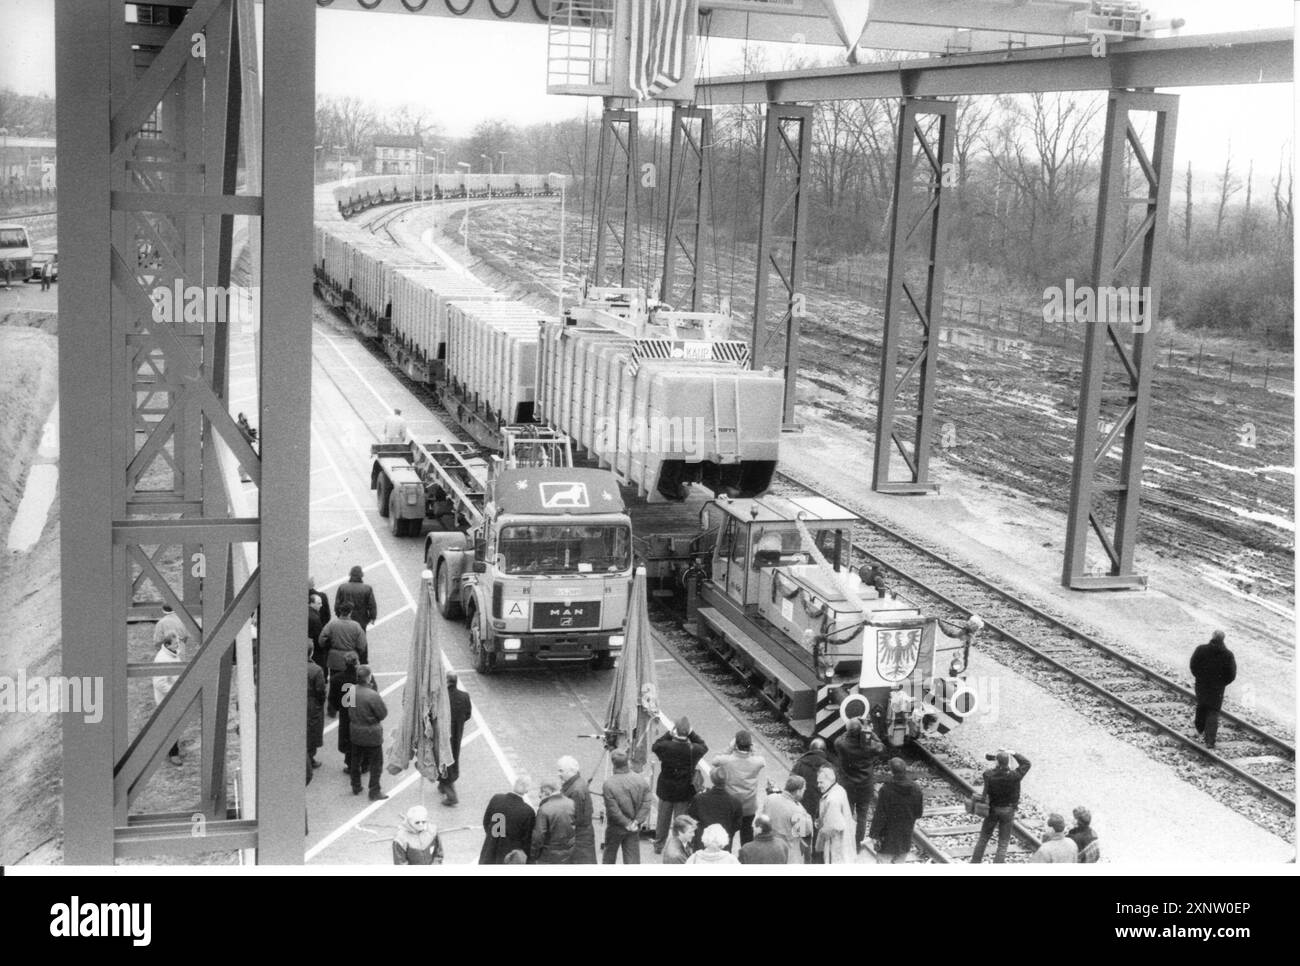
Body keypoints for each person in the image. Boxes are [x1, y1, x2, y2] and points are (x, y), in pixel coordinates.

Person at [651, 716, 708, 853]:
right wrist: (692, 734)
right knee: (681, 820)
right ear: (687, 732)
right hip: (684, 790)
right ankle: (678, 846)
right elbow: (704, 747)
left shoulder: (665, 746)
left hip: (666, 789)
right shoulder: (693, 749)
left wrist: (669, 733)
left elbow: (656, 745)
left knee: (662, 819)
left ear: (675, 731)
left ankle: (659, 845)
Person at [970, 749, 1031, 864]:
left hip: (992, 809)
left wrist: (996, 759)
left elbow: (989, 771)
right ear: (1007, 762)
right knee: (1003, 843)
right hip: (1008, 810)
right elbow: (1027, 763)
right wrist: (1013, 753)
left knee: (983, 838)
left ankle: (975, 863)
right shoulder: (1015, 776)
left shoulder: (989, 775)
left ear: (997, 762)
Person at [834, 718, 884, 852]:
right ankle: (857, 845)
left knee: (847, 815)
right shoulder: (869, 745)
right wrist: (869, 732)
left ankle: (846, 843)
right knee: (862, 817)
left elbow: (842, 736)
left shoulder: (841, 743)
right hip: (865, 785)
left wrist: (854, 729)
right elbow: (881, 745)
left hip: (847, 786)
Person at [713, 730, 766, 846]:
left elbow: (715, 761)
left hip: (730, 806)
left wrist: (729, 748)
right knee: (747, 833)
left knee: (727, 835)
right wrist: (753, 750)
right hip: (749, 807)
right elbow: (762, 760)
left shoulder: (727, 760)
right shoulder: (757, 762)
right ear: (750, 746)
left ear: (736, 745)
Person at [869, 758, 923, 863]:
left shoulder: (886, 789)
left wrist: (874, 834)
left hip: (887, 840)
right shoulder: (916, 788)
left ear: (891, 771)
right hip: (905, 838)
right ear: (905, 769)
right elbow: (918, 813)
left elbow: (880, 814)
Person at [601, 750, 651, 865]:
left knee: (609, 857)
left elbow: (613, 810)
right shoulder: (640, 780)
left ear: (613, 764)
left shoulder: (609, 784)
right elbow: (646, 802)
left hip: (616, 827)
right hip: (634, 826)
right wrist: (636, 821)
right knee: (632, 859)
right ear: (627, 762)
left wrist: (626, 823)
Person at [1190, 630, 1237, 750]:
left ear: (1212, 637)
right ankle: (1210, 741)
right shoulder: (1228, 655)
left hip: (1202, 684)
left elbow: (1193, 665)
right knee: (1213, 711)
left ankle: (1200, 728)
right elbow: (1231, 674)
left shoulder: (1201, 649)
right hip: (1217, 687)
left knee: (1202, 705)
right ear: (1223, 639)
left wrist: (1199, 676)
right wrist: (1222, 683)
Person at [348, 666, 388, 801]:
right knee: (376, 763)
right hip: (371, 733)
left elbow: (348, 710)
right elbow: (383, 714)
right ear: (368, 677)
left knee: (355, 760)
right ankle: (374, 790)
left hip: (355, 731)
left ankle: (356, 785)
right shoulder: (373, 695)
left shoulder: (350, 691)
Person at [320, 601, 368, 716]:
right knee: (350, 684)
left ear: (340, 612)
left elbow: (322, 639)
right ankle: (348, 708)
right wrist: (357, 652)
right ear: (350, 612)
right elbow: (362, 643)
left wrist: (328, 647)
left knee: (334, 683)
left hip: (334, 659)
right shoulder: (355, 626)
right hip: (350, 657)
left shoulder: (332, 624)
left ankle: (331, 710)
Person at [479, 776, 536, 864]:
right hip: (509, 855)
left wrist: (493, 836)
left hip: (489, 849)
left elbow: (486, 822)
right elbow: (526, 839)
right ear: (527, 790)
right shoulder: (528, 811)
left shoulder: (496, 799)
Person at [687, 766, 744, 851]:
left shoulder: (699, 799)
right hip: (724, 843)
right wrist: (728, 833)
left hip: (702, 842)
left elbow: (691, 818)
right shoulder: (735, 802)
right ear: (726, 780)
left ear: (712, 780)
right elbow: (737, 824)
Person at [763, 776, 815, 864]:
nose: (804, 793)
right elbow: (804, 832)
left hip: (769, 848)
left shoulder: (770, 799)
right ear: (798, 791)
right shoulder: (797, 810)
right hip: (788, 853)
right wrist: (807, 817)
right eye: (803, 790)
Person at [439, 673, 472, 806]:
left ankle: (451, 794)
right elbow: (468, 714)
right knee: (452, 759)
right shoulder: (464, 696)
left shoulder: (441, 698)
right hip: (457, 734)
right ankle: (442, 785)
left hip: (442, 735)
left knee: (443, 762)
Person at [153, 631, 184, 766]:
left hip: (173, 697)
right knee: (171, 727)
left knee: (174, 725)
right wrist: (175, 692)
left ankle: (173, 750)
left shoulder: (172, 654)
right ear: (167, 644)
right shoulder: (162, 659)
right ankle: (173, 754)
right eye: (176, 643)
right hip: (167, 699)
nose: (178, 645)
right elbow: (159, 683)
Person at [558, 755, 596, 864]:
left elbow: (577, 818)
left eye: (561, 771)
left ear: (570, 771)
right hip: (582, 838)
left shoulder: (576, 791)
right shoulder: (576, 784)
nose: (558, 774)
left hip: (579, 840)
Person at [791, 738, 838, 826]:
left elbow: (791, 785)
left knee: (800, 834)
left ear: (810, 749)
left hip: (801, 806)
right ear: (824, 751)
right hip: (820, 809)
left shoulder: (800, 764)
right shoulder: (829, 767)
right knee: (817, 835)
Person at [816, 765, 856, 864]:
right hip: (844, 840)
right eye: (818, 782)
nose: (818, 785)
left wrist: (820, 833)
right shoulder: (839, 789)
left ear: (830, 780)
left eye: (821, 782)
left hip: (835, 844)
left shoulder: (832, 799)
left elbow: (835, 825)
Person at [532, 779, 576, 864]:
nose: (539, 796)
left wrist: (533, 855)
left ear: (547, 791)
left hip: (549, 856)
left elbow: (538, 837)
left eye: (541, 793)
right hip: (569, 854)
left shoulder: (544, 809)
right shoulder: (572, 803)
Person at [336, 653, 359, 772]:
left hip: (345, 712)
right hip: (359, 712)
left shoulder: (338, 678)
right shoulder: (362, 677)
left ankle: (350, 763)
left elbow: (333, 698)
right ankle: (364, 763)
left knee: (347, 736)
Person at [307, 645, 326, 770]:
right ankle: (309, 757)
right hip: (311, 702)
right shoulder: (316, 670)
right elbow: (320, 690)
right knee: (313, 729)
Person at [308, 598, 325, 671]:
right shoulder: (315, 618)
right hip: (316, 650)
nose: (321, 605)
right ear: (312, 603)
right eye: (318, 603)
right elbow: (318, 636)